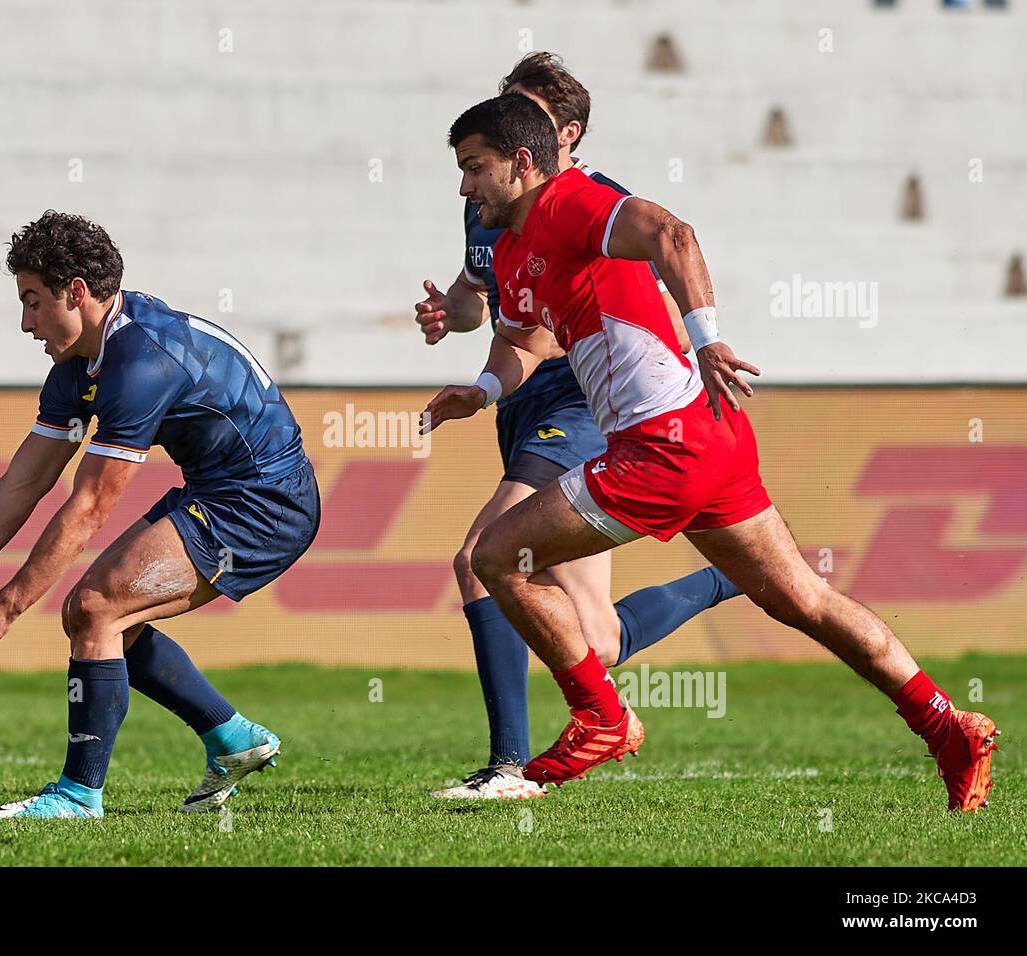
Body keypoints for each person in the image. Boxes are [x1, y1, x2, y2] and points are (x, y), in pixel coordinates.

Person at [425, 94, 998, 812]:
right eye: (460, 171)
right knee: (806, 601)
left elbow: (673, 233)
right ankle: (948, 726)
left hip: (662, 445)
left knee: (494, 556)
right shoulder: (511, 249)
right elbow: (525, 342)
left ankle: (602, 717)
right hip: (706, 438)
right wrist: (480, 392)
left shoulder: (572, 200)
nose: (463, 186)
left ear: (523, 162)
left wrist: (708, 337)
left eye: (475, 168)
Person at [0, 211, 321, 818]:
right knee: (106, 616)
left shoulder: (139, 361)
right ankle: (234, 740)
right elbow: (24, 481)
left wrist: (6, 605)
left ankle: (79, 795)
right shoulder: (78, 366)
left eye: (33, 301)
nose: (25, 322)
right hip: (219, 490)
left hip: (265, 500)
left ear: (76, 293)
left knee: (93, 608)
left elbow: (87, 508)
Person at [417, 53, 740, 801]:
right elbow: (485, 298)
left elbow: (640, 272)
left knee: (480, 560)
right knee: (595, 636)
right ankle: (729, 576)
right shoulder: (486, 201)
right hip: (523, 399)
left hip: (578, 403)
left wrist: (700, 341)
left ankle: (508, 767)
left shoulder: (593, 203)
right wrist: (450, 316)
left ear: (565, 134)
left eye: (524, 120)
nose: (506, 136)